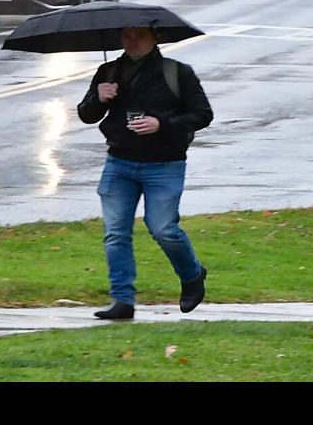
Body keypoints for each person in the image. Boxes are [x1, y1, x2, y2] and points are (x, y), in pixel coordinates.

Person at [76, 26, 214, 320]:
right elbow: (87, 115)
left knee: (163, 228)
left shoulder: (177, 72)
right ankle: (122, 300)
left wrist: (160, 123)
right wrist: (99, 98)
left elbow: (203, 114)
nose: (132, 42)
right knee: (115, 233)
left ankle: (192, 275)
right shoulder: (108, 71)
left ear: (155, 38)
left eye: (139, 36)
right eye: (126, 36)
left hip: (164, 164)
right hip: (119, 163)